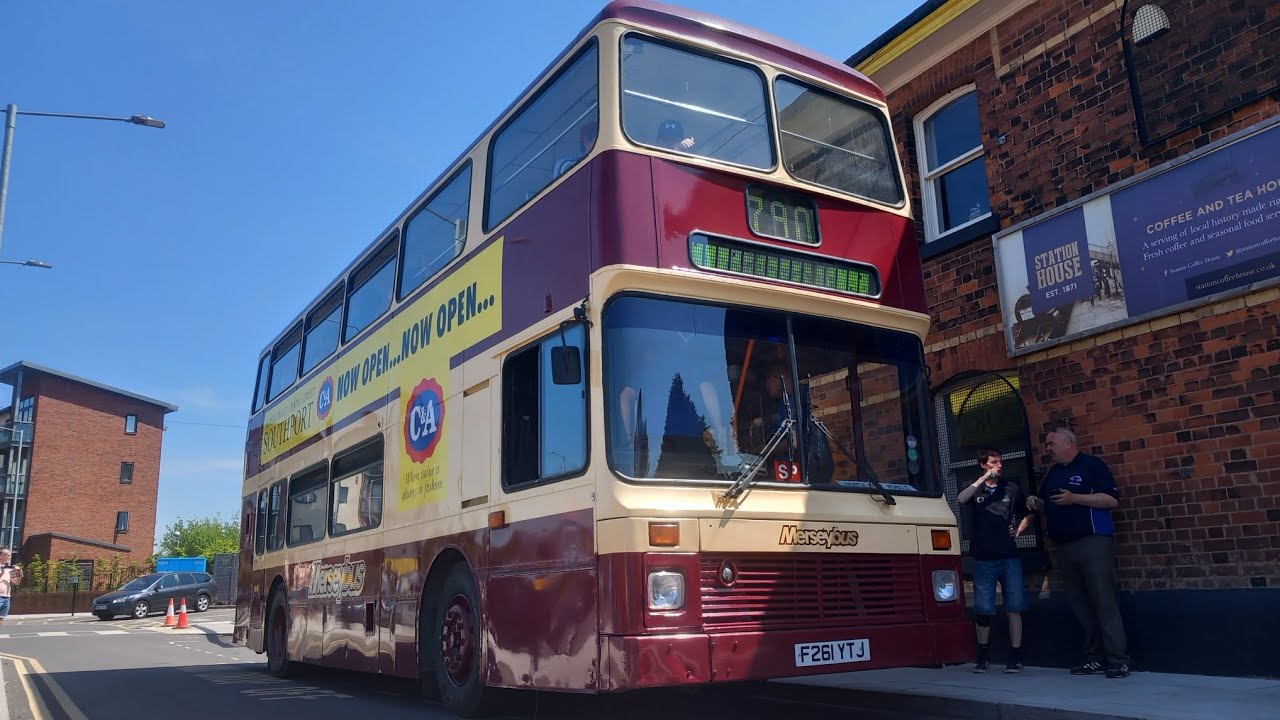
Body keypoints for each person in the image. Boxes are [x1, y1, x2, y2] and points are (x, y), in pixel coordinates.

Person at [1027, 427, 1130, 678]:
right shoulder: (1053, 473)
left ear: (1068, 442)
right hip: (1064, 545)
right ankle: (1093, 657)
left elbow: (1111, 500)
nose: (1048, 449)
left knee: (1103, 600)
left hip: (1093, 541)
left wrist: (1076, 498)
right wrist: (1035, 503)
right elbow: (1047, 503)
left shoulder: (1091, 466)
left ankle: (1118, 659)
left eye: (1051, 443)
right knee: (1080, 604)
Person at [957, 450, 1031, 673]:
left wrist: (1018, 530)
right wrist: (983, 479)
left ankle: (1016, 656)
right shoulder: (974, 486)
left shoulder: (1011, 488)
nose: (999, 466)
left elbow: (1029, 511)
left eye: (1000, 463)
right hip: (983, 557)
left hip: (1008, 556)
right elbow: (961, 499)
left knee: (1014, 607)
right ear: (983, 464)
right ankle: (983, 656)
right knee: (983, 608)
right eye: (994, 463)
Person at [0, 548, 22, 626]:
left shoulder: (9, 569)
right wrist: (1, 573)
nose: (9, 557)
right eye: (8, 555)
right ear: (1, 556)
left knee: (1, 618)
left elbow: (16, 582)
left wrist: (19, 572)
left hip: (6, 597)